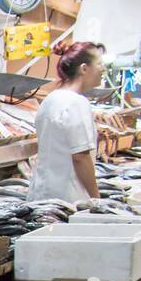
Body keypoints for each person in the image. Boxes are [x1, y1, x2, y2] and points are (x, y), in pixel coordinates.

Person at [29, 41, 104, 203]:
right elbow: (80, 157)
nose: (103, 69)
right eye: (99, 64)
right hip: (67, 199)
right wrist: (97, 198)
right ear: (84, 68)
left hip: (41, 194)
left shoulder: (51, 99)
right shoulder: (76, 103)